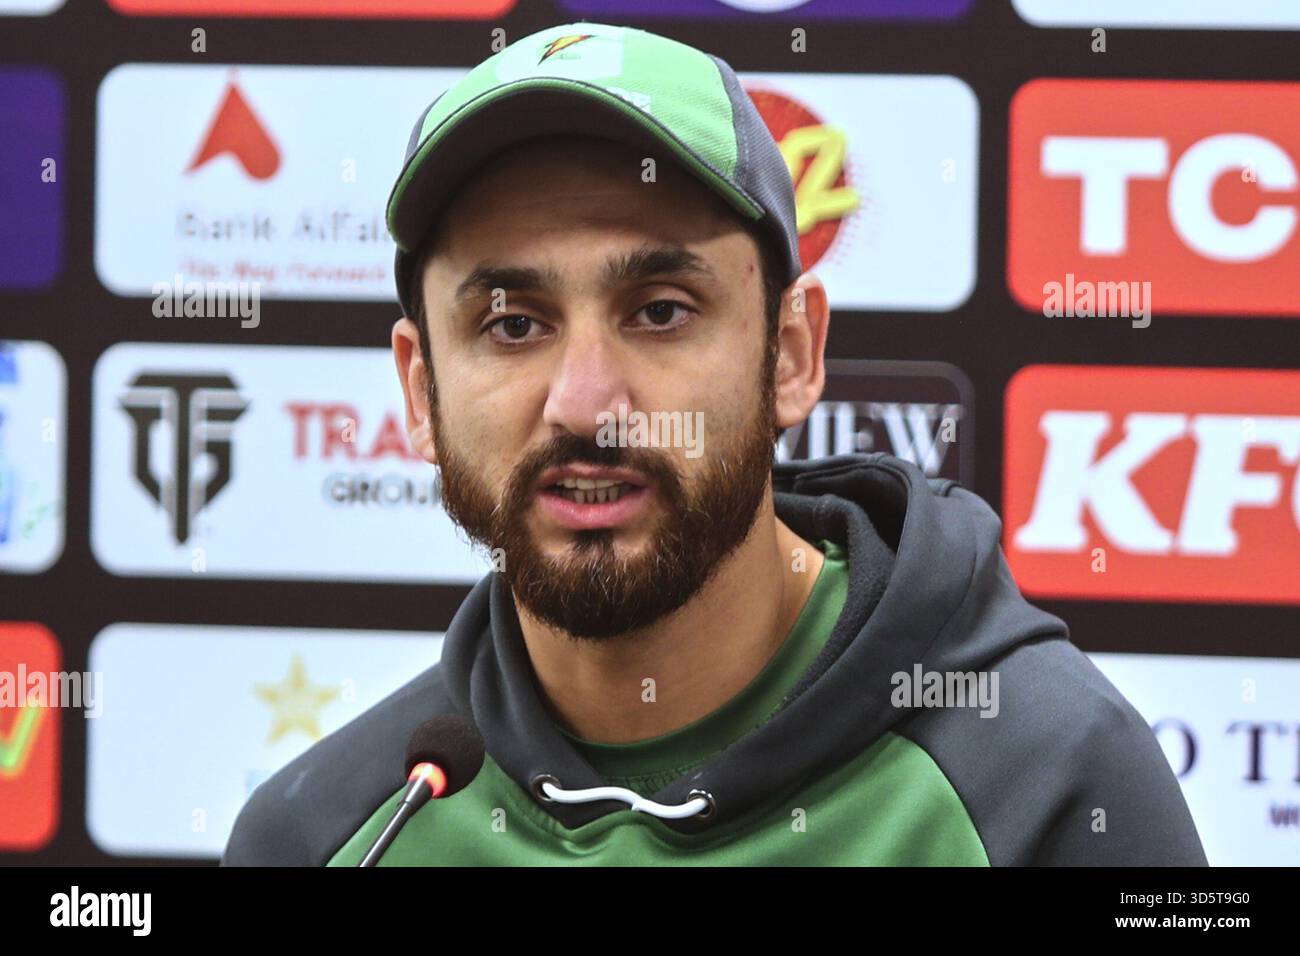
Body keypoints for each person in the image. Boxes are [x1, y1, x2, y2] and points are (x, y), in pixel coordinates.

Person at [223, 21, 1207, 866]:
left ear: (791, 351)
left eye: (658, 309)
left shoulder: (1045, 777)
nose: (585, 401)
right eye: (512, 323)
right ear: (420, 388)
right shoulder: (331, 833)